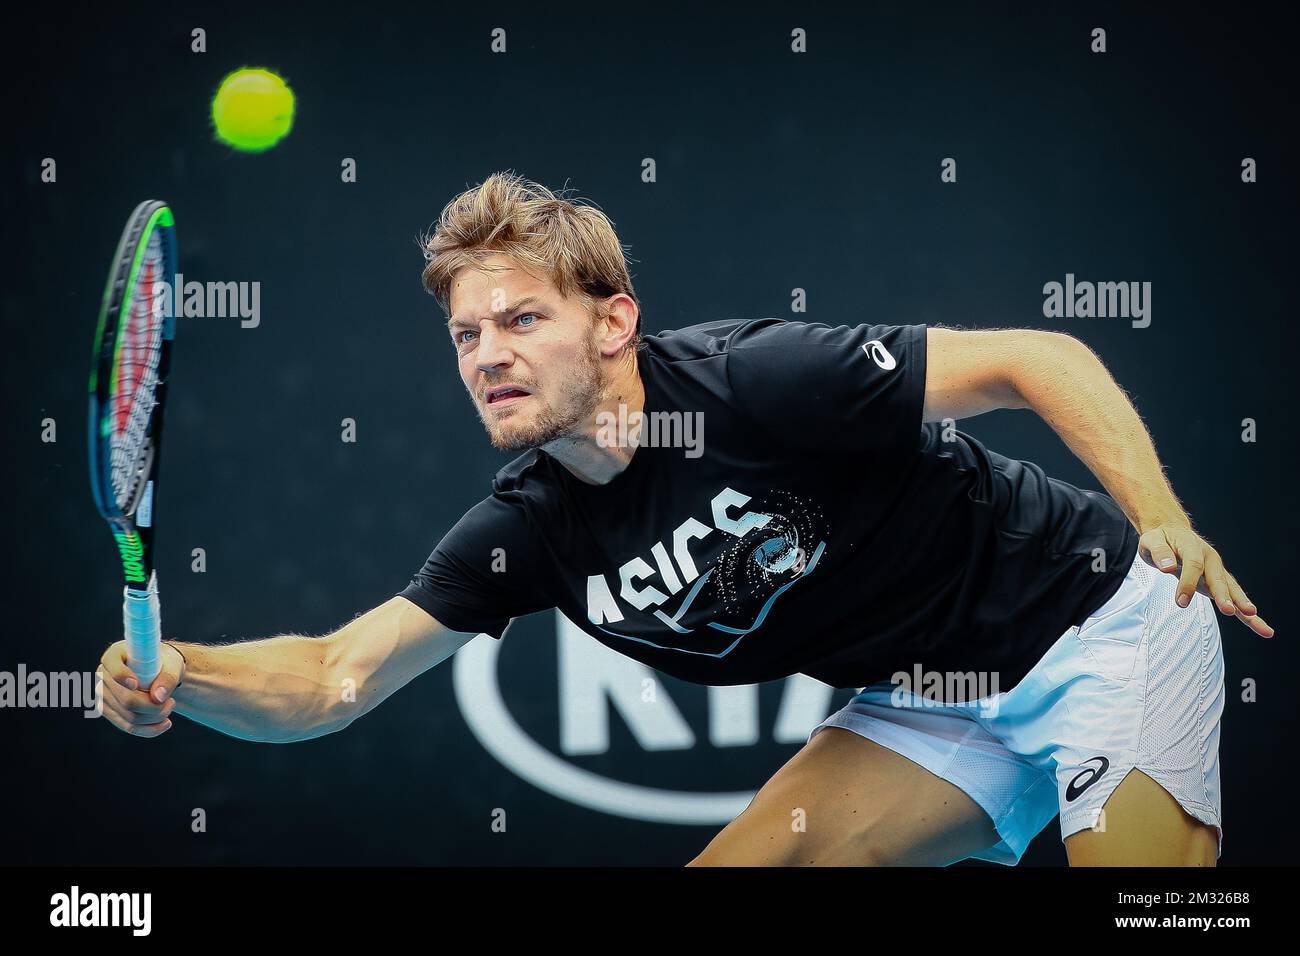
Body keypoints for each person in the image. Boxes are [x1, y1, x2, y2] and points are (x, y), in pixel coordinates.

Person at [96, 172, 1271, 866]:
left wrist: (1161, 517)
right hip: (927, 701)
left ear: (612, 324)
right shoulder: (531, 529)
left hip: (1101, 621)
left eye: (520, 320)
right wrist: (182, 670)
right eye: (465, 334)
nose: (487, 355)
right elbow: (334, 677)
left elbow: (1034, 353)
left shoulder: (756, 381)